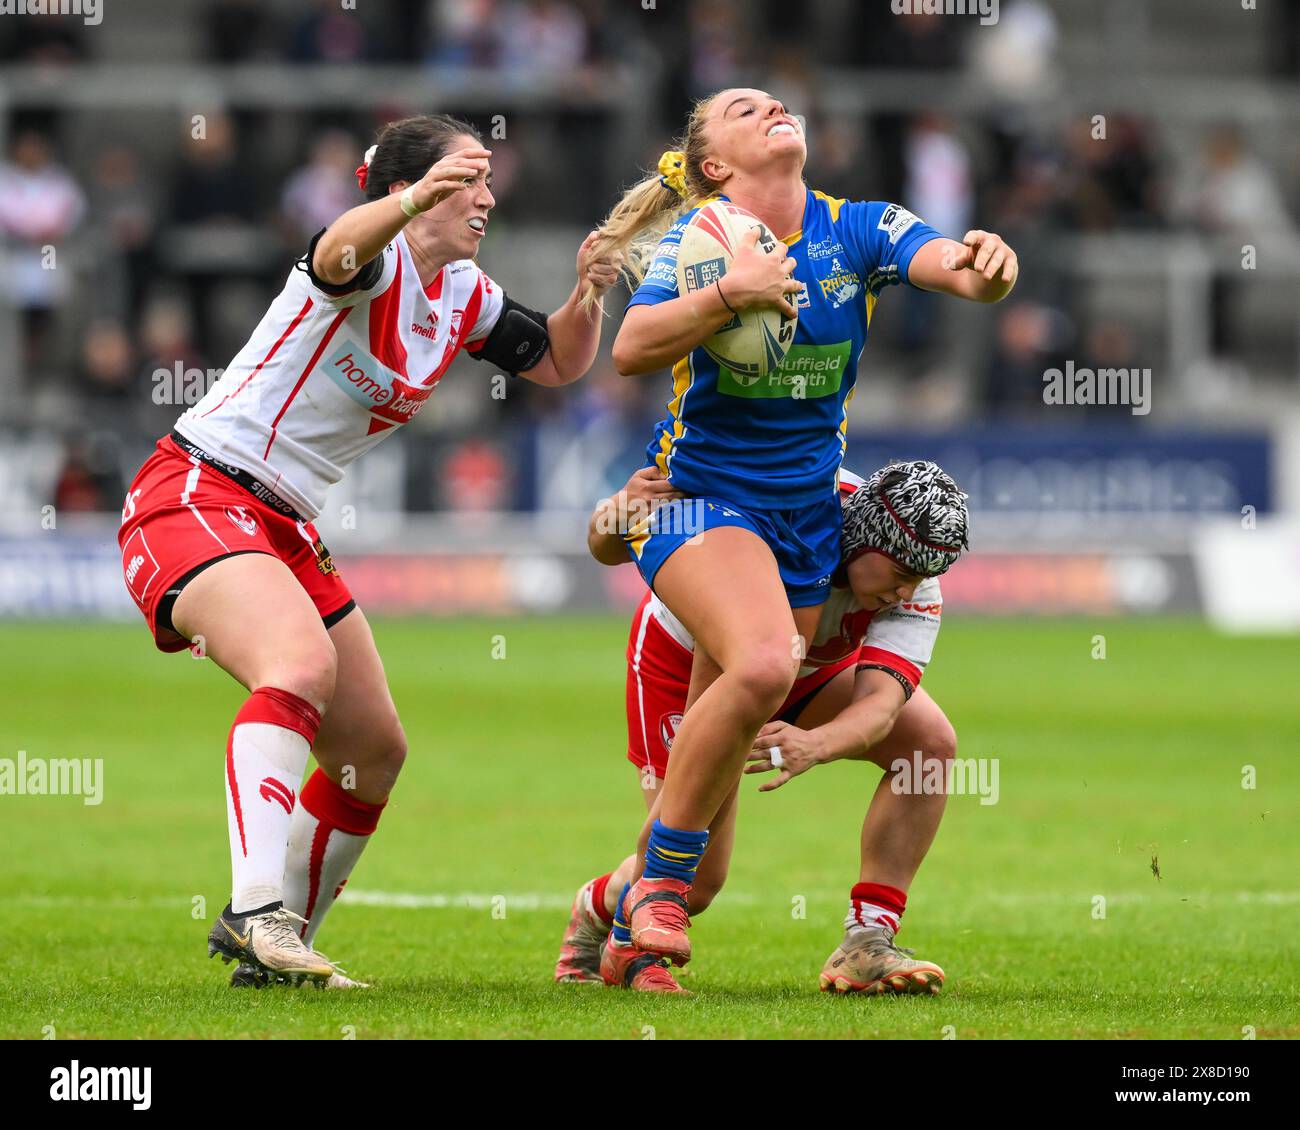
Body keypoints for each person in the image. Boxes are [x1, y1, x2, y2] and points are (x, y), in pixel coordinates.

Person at [117, 114, 621, 987]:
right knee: (297, 665)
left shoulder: (461, 291)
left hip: (286, 523)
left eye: (488, 180)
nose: (488, 197)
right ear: (409, 188)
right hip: (198, 490)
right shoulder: (369, 257)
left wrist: (589, 294)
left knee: (372, 753)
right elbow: (335, 246)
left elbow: (558, 364)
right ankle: (253, 911)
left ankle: (277, 958)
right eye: (470, 178)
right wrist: (408, 201)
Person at [582, 88, 1016, 981]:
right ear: (715, 164)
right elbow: (630, 349)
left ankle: (660, 915)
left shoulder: (856, 228)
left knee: (913, 752)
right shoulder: (702, 242)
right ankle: (655, 887)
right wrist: (730, 296)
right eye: (745, 109)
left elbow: (954, 268)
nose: (772, 104)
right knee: (770, 660)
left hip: (806, 517)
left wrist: (990, 269)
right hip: (696, 504)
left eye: (774, 100)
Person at [556, 460, 968, 993]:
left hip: (801, 673)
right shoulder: (784, 493)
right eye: (900, 574)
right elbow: (609, 545)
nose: (908, 591)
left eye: (919, 578)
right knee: (698, 883)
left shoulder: (917, 586)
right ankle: (598, 909)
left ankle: (868, 941)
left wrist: (813, 745)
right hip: (684, 661)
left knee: (929, 746)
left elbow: (880, 707)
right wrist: (618, 511)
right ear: (864, 539)